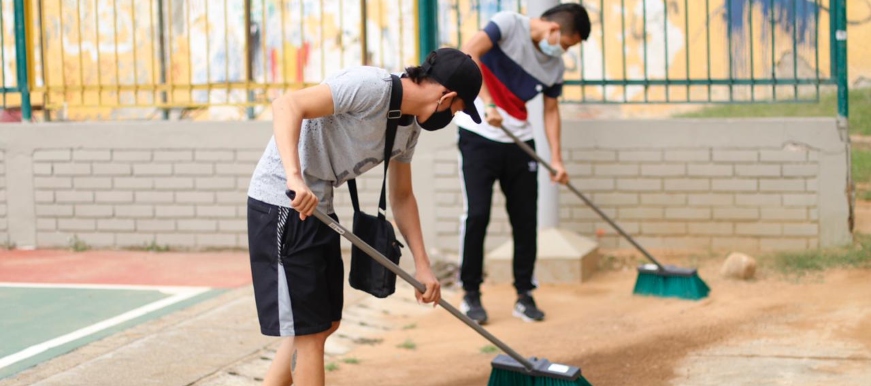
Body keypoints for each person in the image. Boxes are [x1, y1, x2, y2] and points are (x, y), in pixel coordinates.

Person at [246, 48, 483, 386]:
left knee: (324, 323)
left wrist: (423, 264)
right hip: (282, 203)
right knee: (309, 333)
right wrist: (294, 176)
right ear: (447, 96)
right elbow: (288, 105)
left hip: (320, 208)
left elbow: (402, 197)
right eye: (460, 108)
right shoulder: (369, 86)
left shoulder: (408, 130)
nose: (455, 115)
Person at [453, 3, 591, 324]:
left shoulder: (555, 66)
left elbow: (551, 111)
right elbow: (467, 54)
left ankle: (524, 294)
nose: (564, 51)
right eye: (567, 44)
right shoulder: (507, 24)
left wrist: (556, 158)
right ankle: (470, 293)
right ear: (554, 30)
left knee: (526, 220)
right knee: (477, 215)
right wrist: (487, 103)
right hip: (479, 133)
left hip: (519, 141)